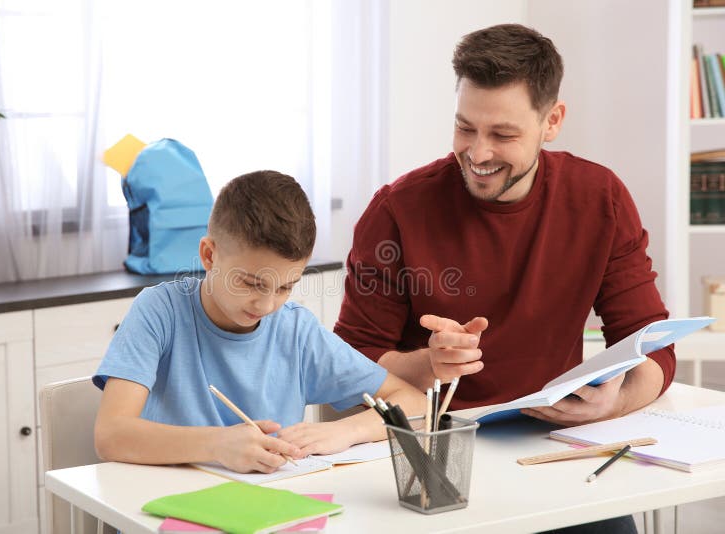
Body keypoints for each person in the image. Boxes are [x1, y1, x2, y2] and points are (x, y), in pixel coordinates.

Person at [335, 22, 665, 534]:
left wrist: (613, 401)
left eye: (503, 135)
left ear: (552, 121)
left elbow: (652, 344)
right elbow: (346, 369)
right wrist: (429, 364)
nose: (478, 153)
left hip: (554, 453)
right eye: (465, 128)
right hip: (433, 461)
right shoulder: (398, 210)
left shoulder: (600, 199)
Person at [93, 170, 424, 474]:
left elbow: (414, 403)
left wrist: (343, 431)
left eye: (285, 287)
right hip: (164, 508)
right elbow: (110, 435)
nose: (267, 304)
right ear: (209, 255)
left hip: (266, 509)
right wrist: (218, 444)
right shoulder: (159, 311)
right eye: (251, 283)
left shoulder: (296, 331)